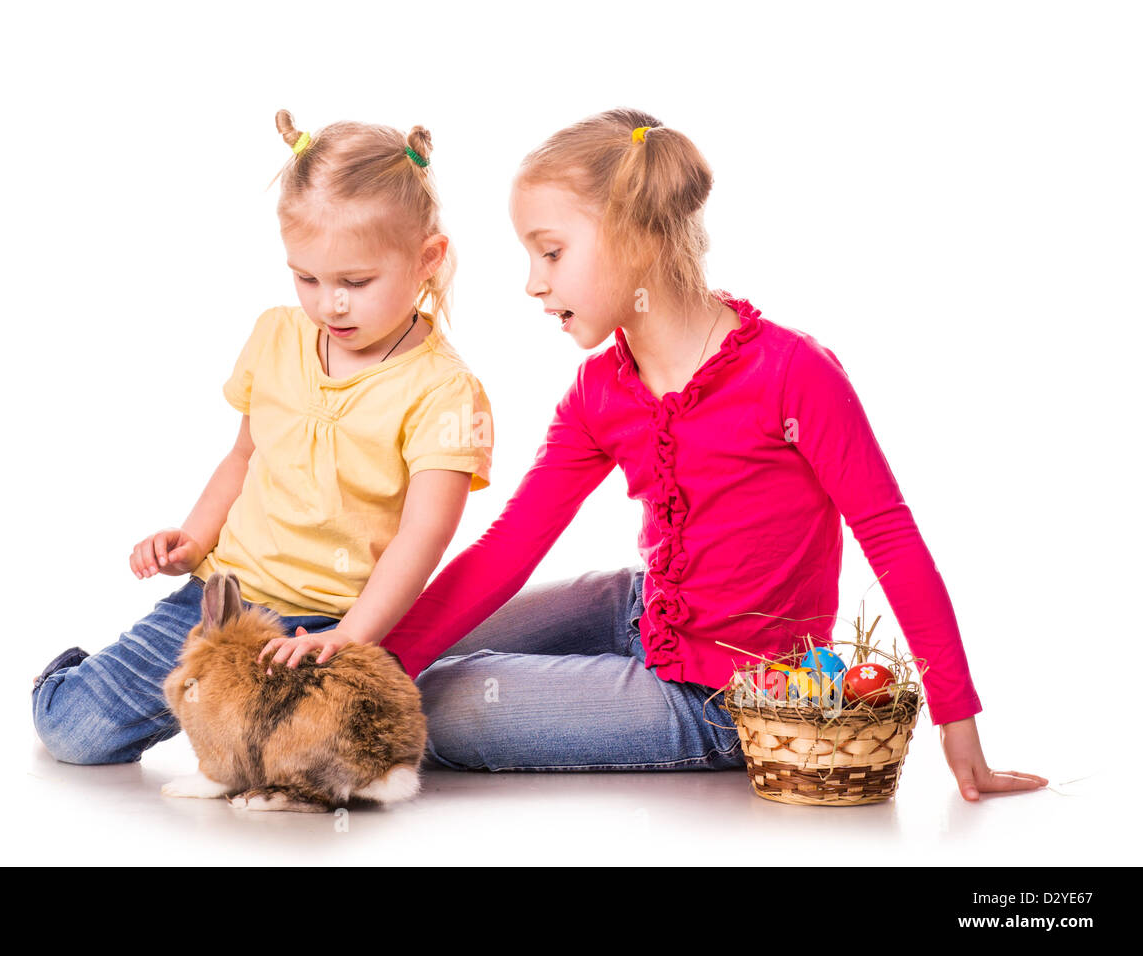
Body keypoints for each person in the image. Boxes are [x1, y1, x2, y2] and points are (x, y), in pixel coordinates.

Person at [287, 108, 1046, 802]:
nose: (532, 283)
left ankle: (373, 712)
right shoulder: (599, 390)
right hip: (640, 610)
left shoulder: (792, 374)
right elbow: (510, 547)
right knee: (399, 648)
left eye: (551, 252)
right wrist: (374, 656)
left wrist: (956, 715)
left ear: (639, 237)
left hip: (724, 698)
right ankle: (352, 691)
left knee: (446, 704)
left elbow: (890, 534)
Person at [30, 110, 494, 768]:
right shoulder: (276, 336)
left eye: (355, 284)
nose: (329, 305)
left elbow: (425, 537)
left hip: (338, 622)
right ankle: (82, 678)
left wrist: (349, 638)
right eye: (307, 278)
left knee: (325, 759)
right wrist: (192, 539)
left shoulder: (444, 391)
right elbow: (244, 456)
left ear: (427, 259)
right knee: (74, 733)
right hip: (225, 599)